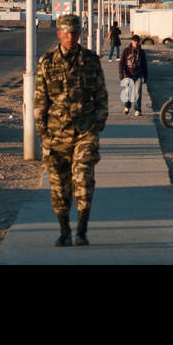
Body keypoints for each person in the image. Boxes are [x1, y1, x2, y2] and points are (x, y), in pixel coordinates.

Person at [35, 13, 108, 247]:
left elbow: (101, 95)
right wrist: (42, 131)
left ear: (79, 34)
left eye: (74, 33)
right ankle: (64, 229)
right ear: (59, 33)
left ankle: (82, 230)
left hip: (84, 131)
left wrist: (97, 124)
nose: (70, 37)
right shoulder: (47, 62)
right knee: (59, 186)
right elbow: (40, 100)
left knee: (84, 180)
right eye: (66, 32)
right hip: (56, 135)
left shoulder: (91, 61)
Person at [119, 34, 148, 116]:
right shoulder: (126, 51)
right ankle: (127, 107)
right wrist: (121, 73)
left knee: (137, 93)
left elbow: (144, 65)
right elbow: (121, 63)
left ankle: (137, 109)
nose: (136, 43)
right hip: (128, 74)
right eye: (134, 41)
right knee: (128, 92)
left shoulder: (141, 52)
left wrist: (146, 75)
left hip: (138, 75)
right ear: (131, 41)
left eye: (137, 41)